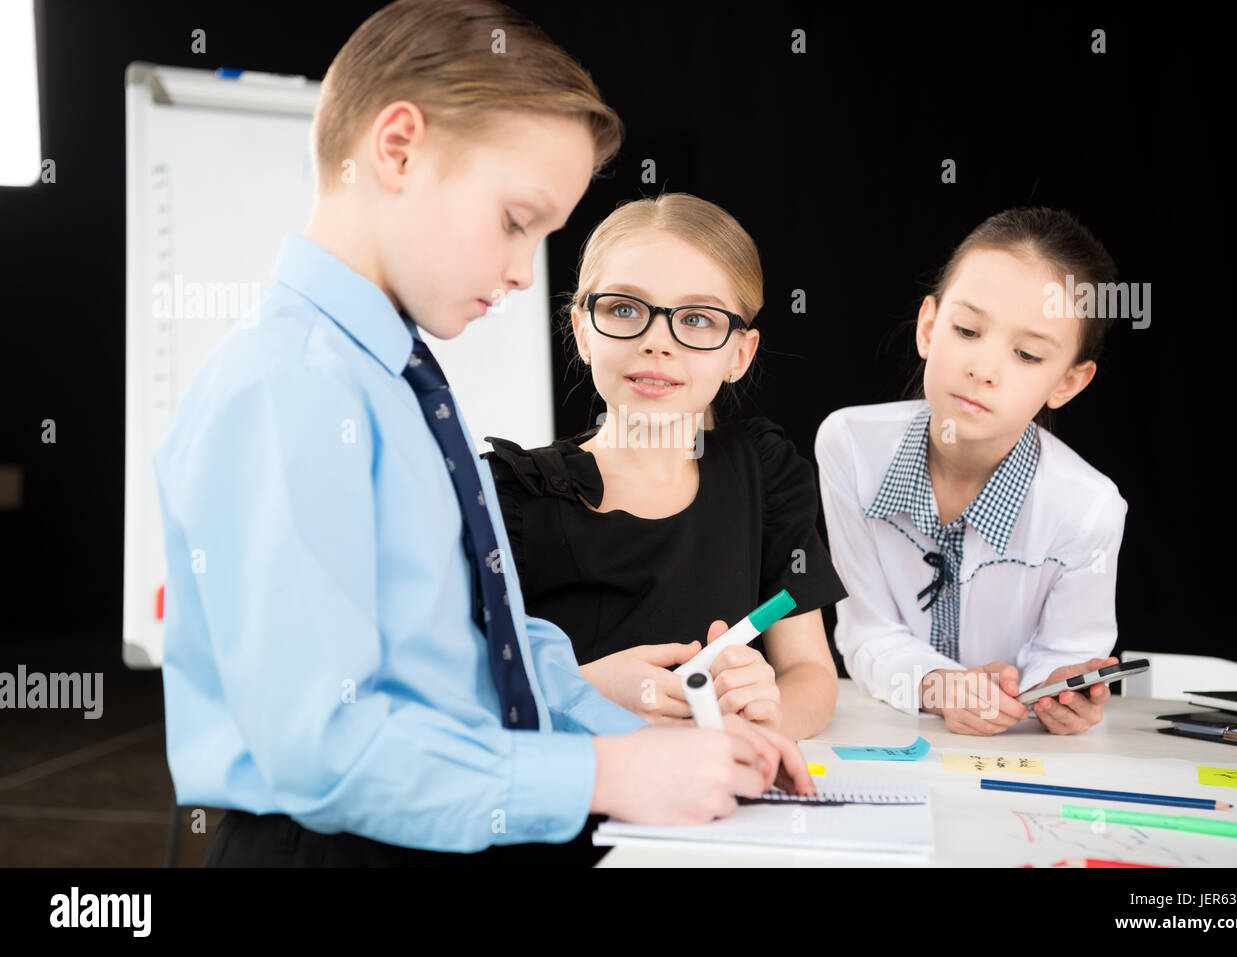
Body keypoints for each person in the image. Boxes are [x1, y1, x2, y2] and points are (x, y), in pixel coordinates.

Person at [154, 0, 812, 869]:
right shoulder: (295, 388)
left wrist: (680, 742)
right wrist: (605, 771)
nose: (519, 270)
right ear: (398, 148)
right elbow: (328, 747)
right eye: (516, 220)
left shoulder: (397, 378)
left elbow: (474, 641)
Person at [483, 193, 846, 741]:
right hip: (578, 805)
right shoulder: (510, 494)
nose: (657, 342)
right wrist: (579, 690)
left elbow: (810, 675)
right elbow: (464, 694)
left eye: (697, 319)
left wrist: (760, 719)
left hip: (714, 803)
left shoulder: (764, 474)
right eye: (625, 309)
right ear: (583, 330)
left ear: (738, 355)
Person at [816, 207, 1127, 735]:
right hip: (887, 738)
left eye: (1027, 354)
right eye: (966, 329)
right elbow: (866, 633)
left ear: (1069, 383)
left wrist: (1062, 693)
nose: (983, 370)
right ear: (928, 327)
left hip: (1019, 755)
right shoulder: (849, 446)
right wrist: (936, 685)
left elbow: (1068, 654)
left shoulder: (1089, 508)